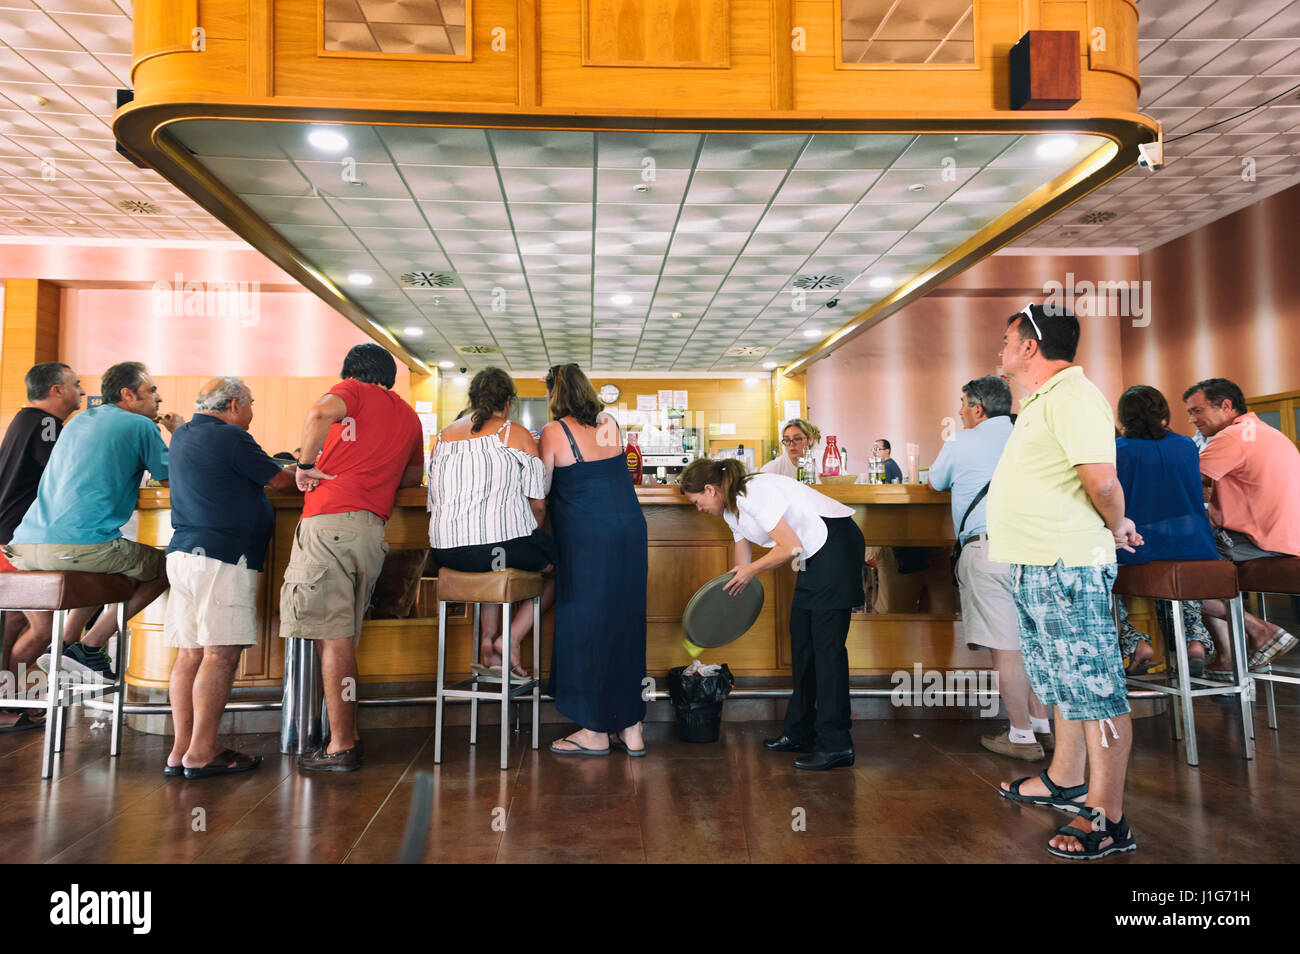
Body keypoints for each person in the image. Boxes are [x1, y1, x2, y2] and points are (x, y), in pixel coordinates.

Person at [989, 304, 1141, 860]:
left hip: (1066, 562)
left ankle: (1107, 816)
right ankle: (1066, 777)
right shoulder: (1042, 400)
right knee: (1062, 681)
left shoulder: (1074, 395)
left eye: (1007, 340)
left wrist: (1116, 522)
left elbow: (1101, 481)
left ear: (1030, 347)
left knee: (1094, 688)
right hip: (1039, 562)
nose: (1000, 349)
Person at [281, 344, 423, 772]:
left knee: (333, 638)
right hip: (371, 532)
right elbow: (413, 478)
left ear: (352, 372)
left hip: (330, 523)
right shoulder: (408, 415)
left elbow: (319, 414)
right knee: (343, 635)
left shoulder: (354, 390)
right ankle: (347, 736)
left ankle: (341, 745)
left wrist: (306, 464)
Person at [681, 459, 865, 770]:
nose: (698, 508)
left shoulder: (753, 492)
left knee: (827, 649)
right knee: (803, 645)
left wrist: (751, 571)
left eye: (697, 502)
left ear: (710, 489)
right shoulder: (731, 510)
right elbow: (741, 564)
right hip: (813, 554)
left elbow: (789, 546)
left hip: (835, 544)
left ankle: (837, 744)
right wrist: (728, 598)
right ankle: (799, 732)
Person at [4, 361, 181, 681]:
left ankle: (65, 645)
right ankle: (91, 646)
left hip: (23, 546)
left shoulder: (77, 421)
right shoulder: (141, 426)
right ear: (127, 394)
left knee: (100, 563)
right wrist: (180, 432)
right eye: (152, 390)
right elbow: (174, 480)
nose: (159, 398)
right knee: (167, 567)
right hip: (75, 547)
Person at [163, 378, 298, 778]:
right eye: (252, 404)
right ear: (236, 403)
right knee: (220, 653)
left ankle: (181, 750)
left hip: (184, 554)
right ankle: (203, 751)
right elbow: (281, 481)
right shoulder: (232, 438)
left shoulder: (183, 434)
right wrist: (302, 467)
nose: (252, 412)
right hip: (222, 559)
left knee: (190, 654)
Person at [928, 375, 1052, 761]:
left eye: (963, 404)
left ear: (977, 408)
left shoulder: (963, 440)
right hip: (1038, 550)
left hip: (989, 549)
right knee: (1036, 644)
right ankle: (1044, 726)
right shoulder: (1030, 433)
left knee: (1007, 649)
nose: (961, 411)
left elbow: (934, 482)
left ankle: (1020, 735)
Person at [538, 364, 647, 756]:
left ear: (554, 395)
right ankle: (632, 727)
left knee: (585, 625)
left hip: (587, 539)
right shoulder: (609, 422)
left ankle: (594, 730)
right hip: (630, 533)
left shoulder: (553, 432)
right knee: (624, 621)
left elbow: (542, 490)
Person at [428, 367, 555, 681]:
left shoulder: (442, 437)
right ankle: (509, 639)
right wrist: (532, 533)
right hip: (497, 548)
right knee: (563, 569)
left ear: (472, 399)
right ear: (508, 401)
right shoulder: (516, 433)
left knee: (491, 561)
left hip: (445, 553)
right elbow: (538, 505)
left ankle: (487, 640)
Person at [1183, 378, 1300, 674]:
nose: (1192, 419)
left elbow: (1186, 484)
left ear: (1226, 406)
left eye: (1197, 411)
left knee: (1183, 570)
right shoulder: (1269, 433)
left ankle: (1260, 631)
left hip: (1257, 542)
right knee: (1199, 561)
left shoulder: (1233, 437)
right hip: (1286, 540)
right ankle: (1227, 656)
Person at [0, 362, 85, 732]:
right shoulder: (46, 424)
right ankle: (10, 698)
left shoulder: (25, 421)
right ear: (56, 389)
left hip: (9, 535)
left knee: (16, 621)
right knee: (44, 626)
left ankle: (12, 698)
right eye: (75, 384)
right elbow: (61, 477)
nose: (80, 390)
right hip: (18, 539)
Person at [1112, 385, 1218, 677]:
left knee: (1100, 584)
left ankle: (1134, 642)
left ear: (1124, 416)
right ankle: (1194, 639)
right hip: (1194, 546)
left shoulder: (1118, 451)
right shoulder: (1186, 445)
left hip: (1139, 547)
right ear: (1163, 412)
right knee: (1179, 588)